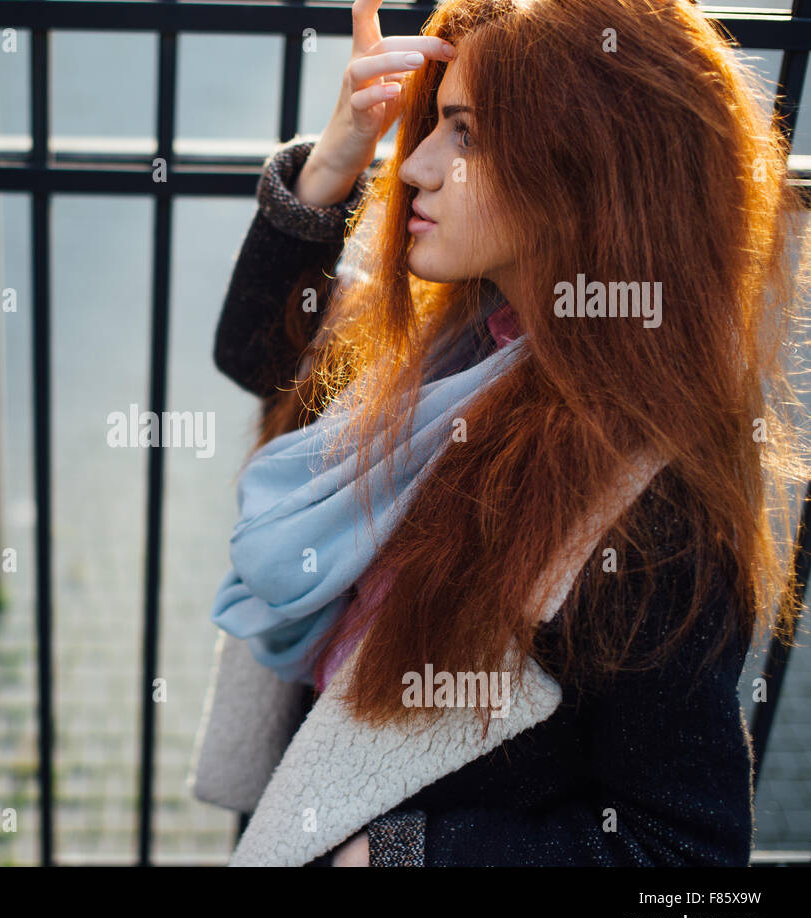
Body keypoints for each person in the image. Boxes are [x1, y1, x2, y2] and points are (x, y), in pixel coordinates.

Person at [190, 0, 809, 866]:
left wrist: (406, 855)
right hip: (303, 793)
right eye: (435, 122)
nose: (418, 165)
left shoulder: (654, 516)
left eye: (467, 135)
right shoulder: (463, 333)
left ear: (592, 173)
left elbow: (685, 855)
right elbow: (262, 360)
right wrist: (333, 163)